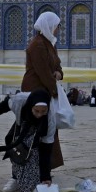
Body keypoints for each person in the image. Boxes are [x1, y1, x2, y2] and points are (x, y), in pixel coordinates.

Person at [0, 89, 56, 192]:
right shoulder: (20, 100)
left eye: (43, 111)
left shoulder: (51, 119)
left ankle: (39, 181)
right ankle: (15, 178)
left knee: (33, 152)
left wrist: (46, 177)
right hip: (23, 124)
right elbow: (6, 104)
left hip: (40, 128)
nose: (39, 114)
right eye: (36, 111)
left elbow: (46, 150)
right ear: (31, 106)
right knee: (17, 150)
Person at [22, 11, 65, 170]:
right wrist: (55, 92)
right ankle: (27, 167)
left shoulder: (50, 43)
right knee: (34, 131)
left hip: (45, 91)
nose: (58, 29)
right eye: (57, 26)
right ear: (49, 25)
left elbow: (57, 66)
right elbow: (43, 72)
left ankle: (44, 167)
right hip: (35, 92)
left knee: (47, 130)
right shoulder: (37, 45)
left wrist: (59, 73)